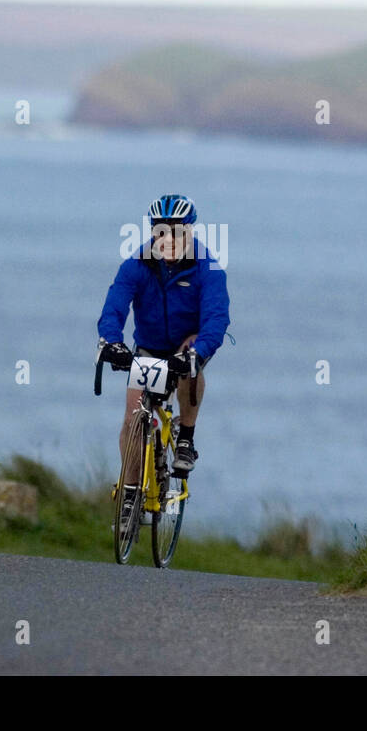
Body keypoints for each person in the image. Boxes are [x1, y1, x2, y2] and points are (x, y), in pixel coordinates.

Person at [97, 195, 230, 531]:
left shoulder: (207, 267)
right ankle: (130, 499)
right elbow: (115, 306)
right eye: (160, 232)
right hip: (149, 348)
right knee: (132, 419)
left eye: (176, 232)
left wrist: (200, 350)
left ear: (189, 232)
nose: (168, 239)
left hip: (189, 344)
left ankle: (186, 436)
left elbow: (216, 317)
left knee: (189, 364)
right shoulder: (136, 264)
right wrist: (111, 341)